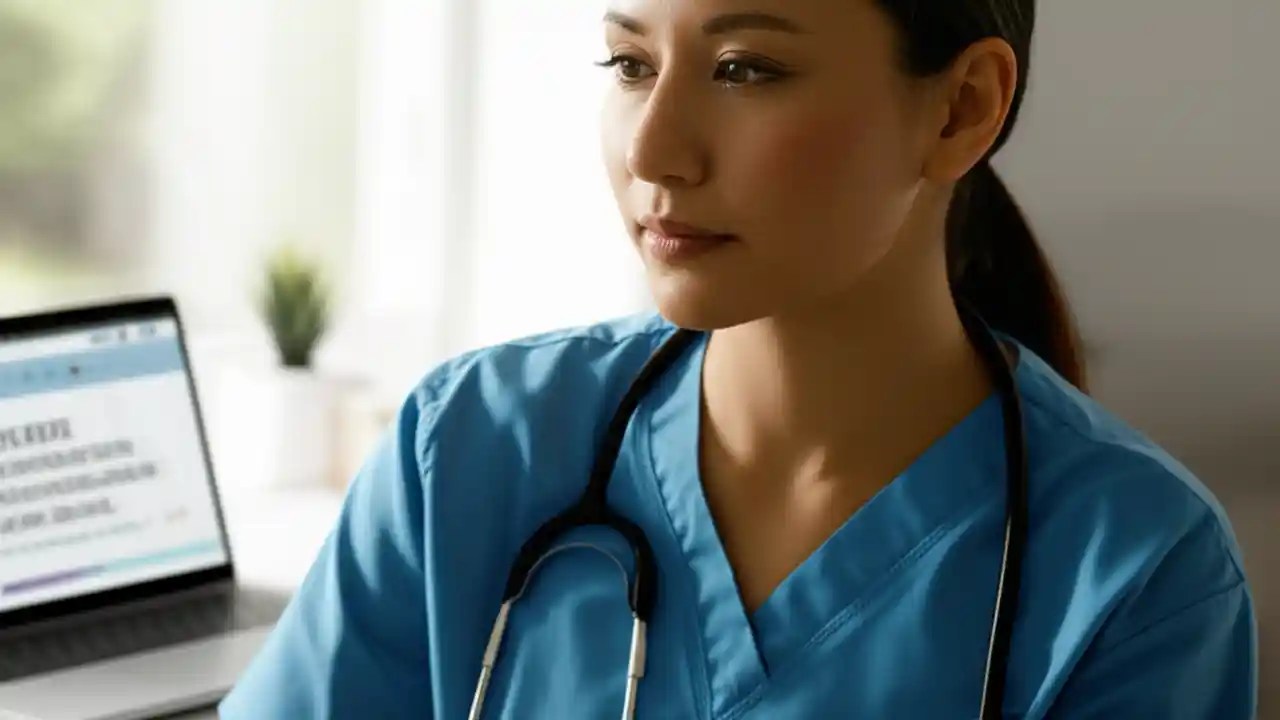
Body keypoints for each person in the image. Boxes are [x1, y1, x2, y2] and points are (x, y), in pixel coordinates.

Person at [220, 1, 1258, 717]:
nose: (652, 149)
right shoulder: (467, 446)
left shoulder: (1132, 569)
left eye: (742, 69)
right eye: (630, 64)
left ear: (959, 108)